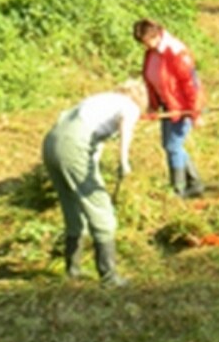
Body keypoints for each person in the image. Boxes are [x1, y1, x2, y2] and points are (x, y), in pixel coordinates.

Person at [42, 80, 146, 287]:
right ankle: (109, 276)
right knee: (100, 209)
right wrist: (123, 160)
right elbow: (126, 127)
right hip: (73, 145)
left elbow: (94, 144)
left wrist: (93, 170)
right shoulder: (129, 106)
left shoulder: (100, 100)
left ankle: (72, 271)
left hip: (51, 143)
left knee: (72, 206)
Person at [133, 18, 207, 198]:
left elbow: (191, 85)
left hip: (183, 107)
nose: (145, 46)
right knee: (170, 145)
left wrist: (195, 113)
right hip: (168, 105)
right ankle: (195, 183)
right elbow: (152, 80)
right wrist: (153, 106)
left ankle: (179, 188)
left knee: (173, 146)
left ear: (155, 35)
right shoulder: (152, 52)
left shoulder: (176, 52)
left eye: (146, 42)